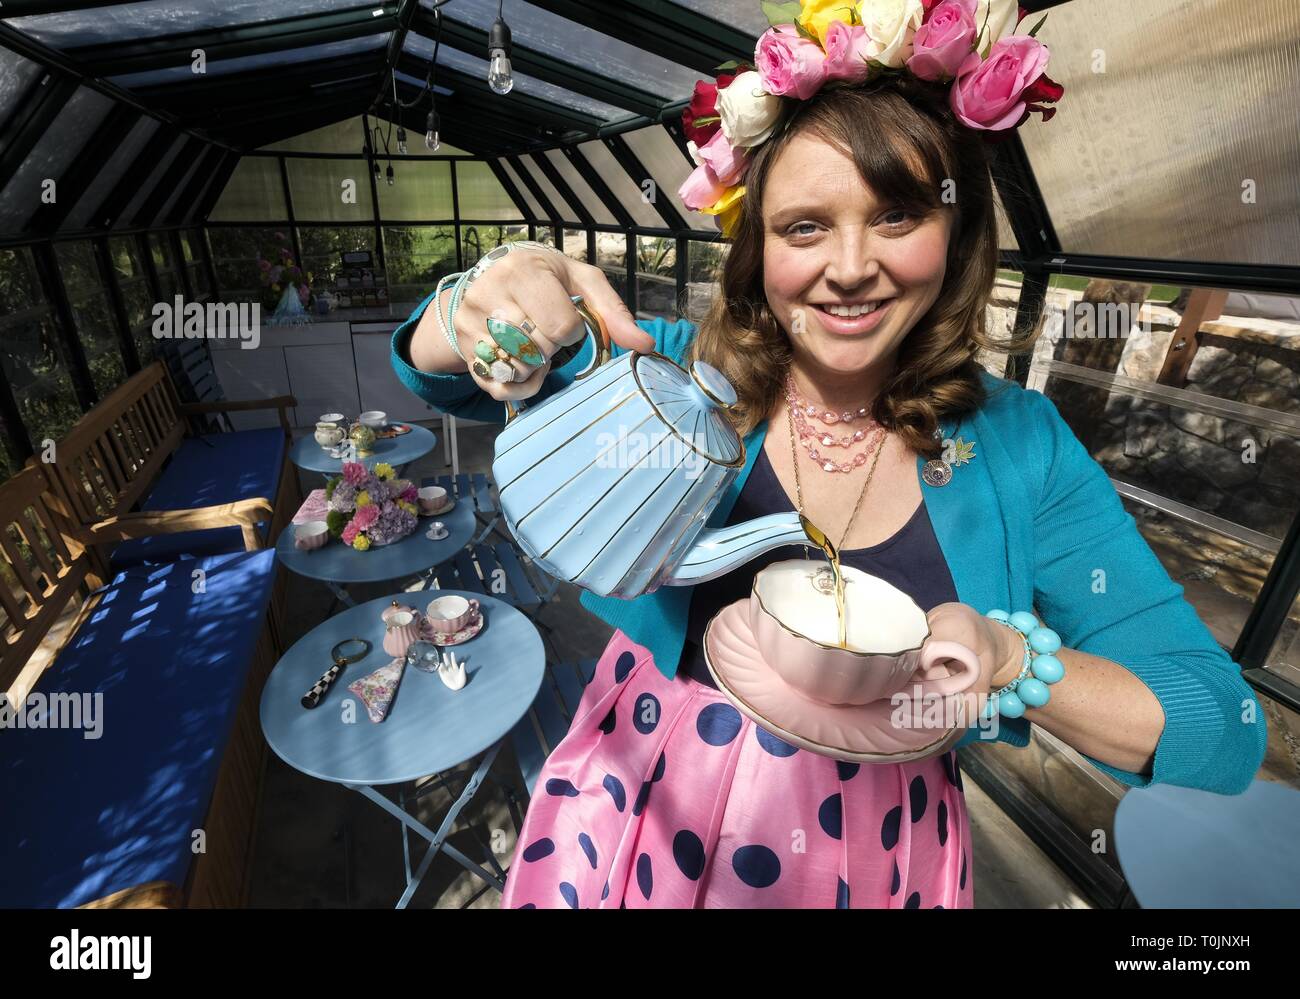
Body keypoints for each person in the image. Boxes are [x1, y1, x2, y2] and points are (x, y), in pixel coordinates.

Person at [390, 2, 1266, 908]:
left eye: (896, 215)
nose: (850, 267)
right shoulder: (673, 373)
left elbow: (1226, 728)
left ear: (959, 232)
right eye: (805, 226)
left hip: (874, 851)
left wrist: (1010, 661)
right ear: (758, 247)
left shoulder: (1021, 443)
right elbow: (436, 371)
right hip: (641, 792)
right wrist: (480, 308)